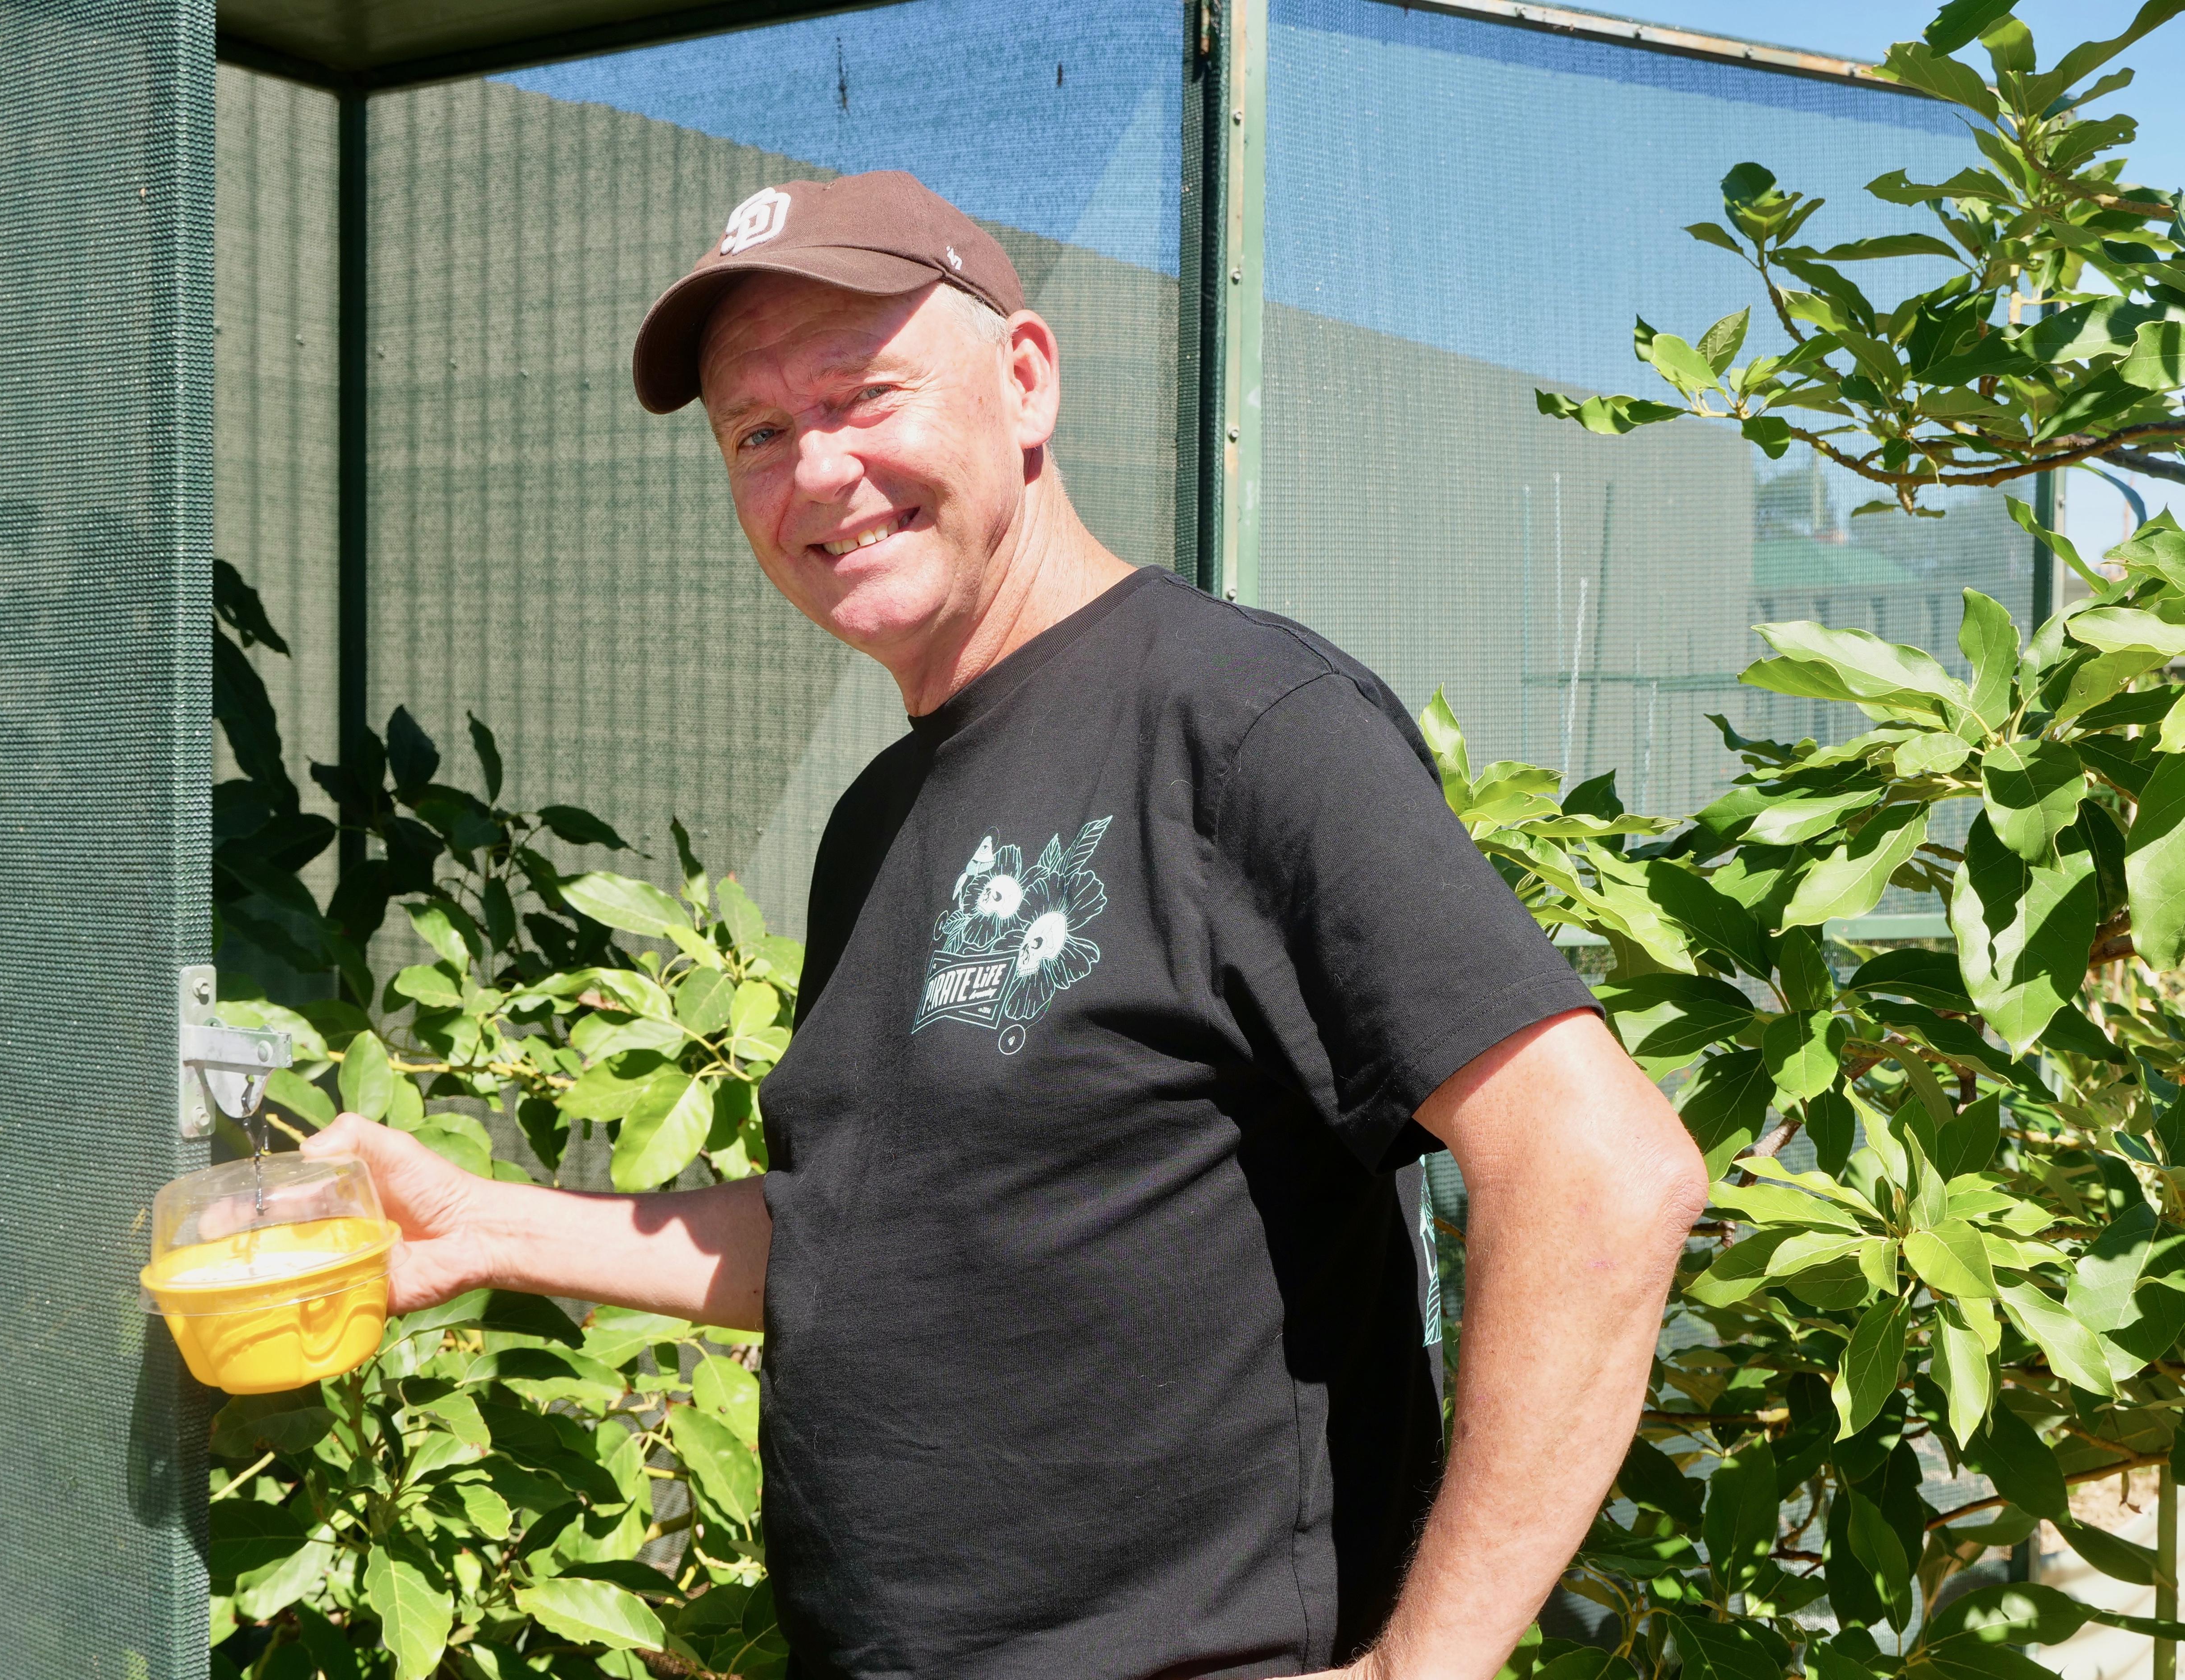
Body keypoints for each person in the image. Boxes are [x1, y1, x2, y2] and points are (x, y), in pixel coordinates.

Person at [307, 170, 1708, 1680]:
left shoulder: (1235, 724)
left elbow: (1601, 1172)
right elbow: (876, 1236)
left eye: (863, 395)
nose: (818, 473)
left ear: (1025, 381)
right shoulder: (881, 817)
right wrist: (483, 1226)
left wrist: (1416, 1672)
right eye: (759, 434)